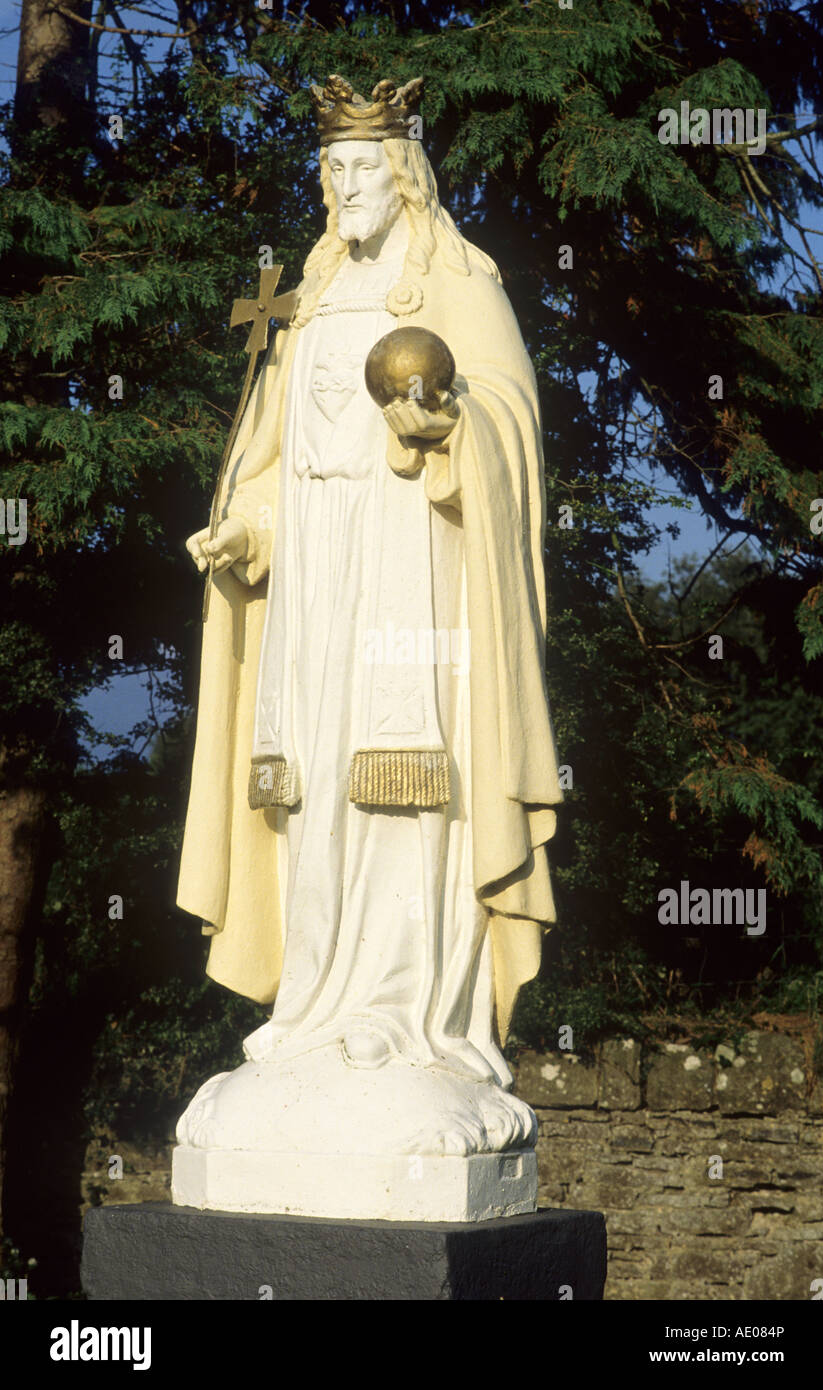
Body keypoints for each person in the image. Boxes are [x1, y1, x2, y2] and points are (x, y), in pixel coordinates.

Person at [177, 75, 563, 1159]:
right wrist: (244, 533)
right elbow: (272, 465)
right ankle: (313, 1008)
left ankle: (413, 1024)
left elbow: (513, 426)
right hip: (318, 593)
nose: (345, 186)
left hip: (419, 579)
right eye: (332, 171)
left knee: (407, 794)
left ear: (405, 171)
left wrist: (446, 430)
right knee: (314, 793)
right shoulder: (306, 300)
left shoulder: (461, 279)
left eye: (364, 168)